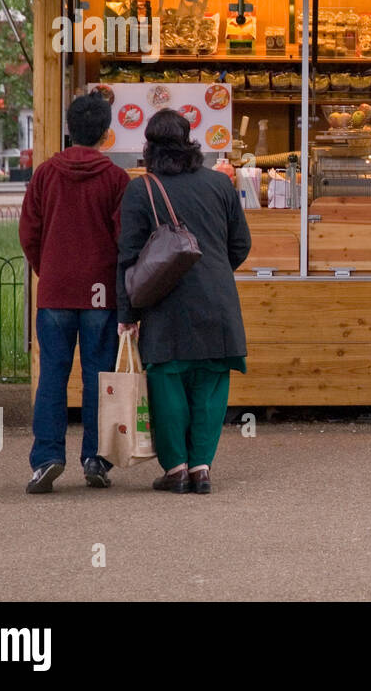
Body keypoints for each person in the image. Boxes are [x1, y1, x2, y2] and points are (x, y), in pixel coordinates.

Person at [117, 109, 251, 494]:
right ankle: (201, 468)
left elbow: (127, 258)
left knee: (166, 382)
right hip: (217, 301)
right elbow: (240, 244)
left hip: (165, 306)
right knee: (210, 383)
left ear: (150, 147)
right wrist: (215, 271)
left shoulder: (141, 190)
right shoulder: (220, 184)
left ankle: (175, 468)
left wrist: (127, 314)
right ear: (191, 140)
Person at [19, 92, 130, 493]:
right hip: (101, 293)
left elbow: (28, 232)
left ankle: (47, 458)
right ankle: (95, 458)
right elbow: (125, 240)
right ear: (106, 133)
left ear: (70, 130)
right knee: (98, 377)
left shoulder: (45, 174)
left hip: (54, 290)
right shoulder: (117, 179)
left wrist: (45, 269)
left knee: (52, 375)